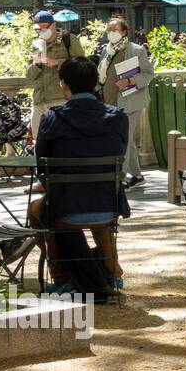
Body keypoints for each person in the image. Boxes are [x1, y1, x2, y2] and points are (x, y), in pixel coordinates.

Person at [28, 57, 130, 295]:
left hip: (64, 210)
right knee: (96, 197)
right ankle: (112, 269)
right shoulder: (118, 117)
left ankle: (62, 276)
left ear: (64, 85)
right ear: (96, 83)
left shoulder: (52, 119)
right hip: (108, 206)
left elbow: (42, 167)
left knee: (36, 210)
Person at [96, 16, 154, 189]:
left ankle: (119, 179)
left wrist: (130, 81)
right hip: (110, 103)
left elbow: (149, 74)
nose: (111, 33)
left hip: (130, 103)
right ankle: (137, 176)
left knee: (122, 141)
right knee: (126, 140)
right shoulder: (106, 50)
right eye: (109, 29)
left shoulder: (136, 50)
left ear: (124, 32)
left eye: (115, 29)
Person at [24, 10, 87, 137]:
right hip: (39, 101)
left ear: (53, 25)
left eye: (43, 28)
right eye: (37, 29)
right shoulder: (36, 44)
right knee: (38, 143)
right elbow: (29, 76)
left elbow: (83, 65)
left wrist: (57, 62)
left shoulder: (68, 40)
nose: (40, 32)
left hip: (62, 100)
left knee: (63, 142)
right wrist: (37, 64)